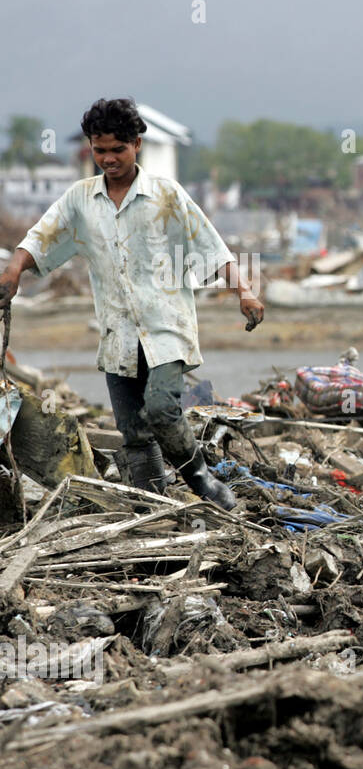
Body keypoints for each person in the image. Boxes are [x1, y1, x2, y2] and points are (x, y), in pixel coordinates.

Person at [0, 98, 263, 510]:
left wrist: (244, 291)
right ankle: (155, 508)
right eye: (99, 150)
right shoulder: (80, 200)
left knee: (161, 409)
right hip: (117, 333)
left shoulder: (165, 195)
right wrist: (14, 270)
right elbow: (41, 237)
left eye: (117, 150)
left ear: (136, 145)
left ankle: (203, 485)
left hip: (166, 328)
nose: (108, 159)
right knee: (133, 432)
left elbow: (212, 246)